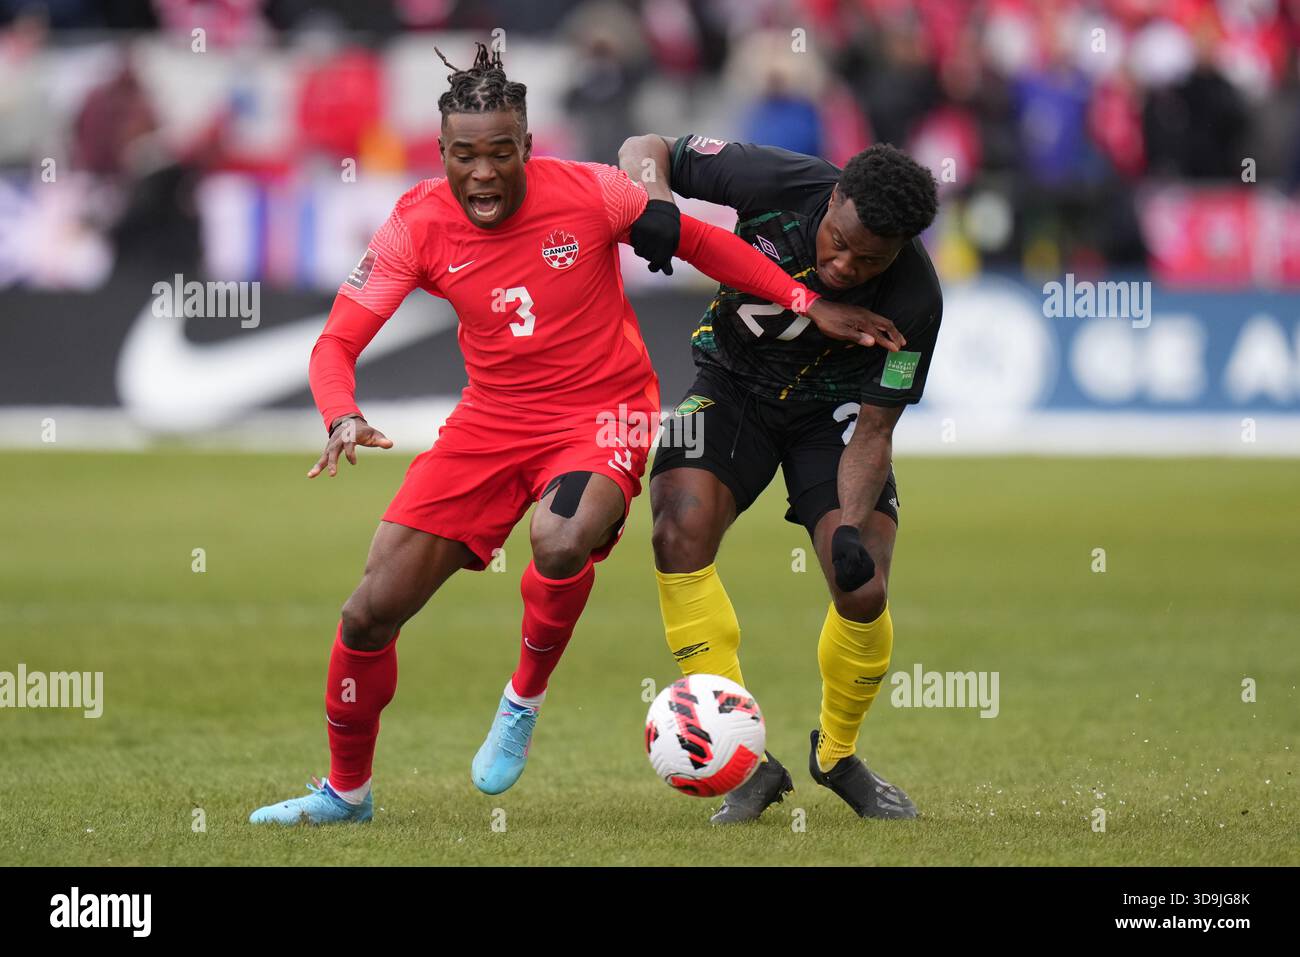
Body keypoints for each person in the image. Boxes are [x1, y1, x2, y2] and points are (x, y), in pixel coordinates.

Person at [249, 47, 900, 825]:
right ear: (442, 152)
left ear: (528, 145)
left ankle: (522, 699)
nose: (482, 172)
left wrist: (803, 299)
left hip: (603, 412)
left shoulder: (593, 192)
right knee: (366, 614)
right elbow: (336, 343)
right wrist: (340, 411)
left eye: (500, 152)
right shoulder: (417, 222)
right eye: (464, 155)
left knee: (558, 540)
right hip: (489, 422)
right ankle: (346, 793)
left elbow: (704, 243)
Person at [619, 132, 941, 823]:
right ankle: (745, 762)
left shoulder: (916, 300)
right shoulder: (769, 178)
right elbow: (643, 144)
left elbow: (876, 431)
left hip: (836, 418)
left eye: (870, 259)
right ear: (833, 198)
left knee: (863, 585)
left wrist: (851, 526)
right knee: (677, 529)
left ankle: (838, 755)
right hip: (731, 387)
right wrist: (655, 202)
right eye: (839, 239)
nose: (845, 264)